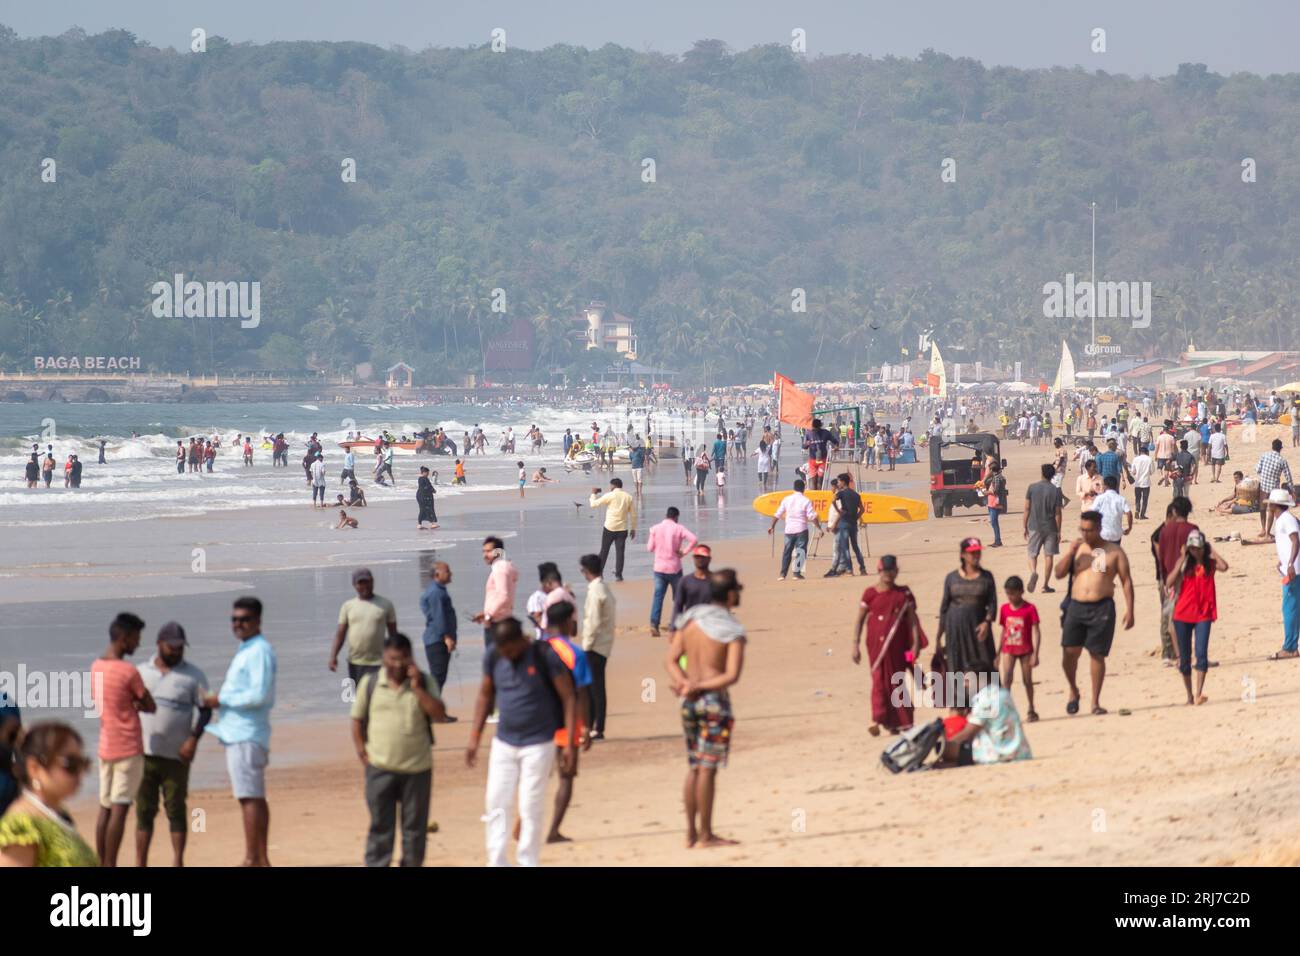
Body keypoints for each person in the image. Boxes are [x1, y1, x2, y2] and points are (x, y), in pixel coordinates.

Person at [467, 617, 578, 867]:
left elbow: (569, 697)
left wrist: (570, 743)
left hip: (538, 744)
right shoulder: (495, 656)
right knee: (496, 801)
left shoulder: (544, 656)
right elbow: (485, 695)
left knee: (530, 804)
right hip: (504, 743)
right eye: (502, 651)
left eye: (510, 650)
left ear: (522, 641)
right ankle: (496, 861)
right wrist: (475, 737)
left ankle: (528, 861)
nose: (507, 656)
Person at [664, 569, 746, 848]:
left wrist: (685, 683)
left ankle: (690, 833)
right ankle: (706, 834)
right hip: (713, 702)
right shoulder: (731, 630)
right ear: (731, 594)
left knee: (694, 766)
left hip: (687, 701)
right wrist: (699, 685)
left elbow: (671, 660)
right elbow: (732, 675)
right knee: (707, 768)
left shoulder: (690, 621)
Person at [351, 632, 445, 867]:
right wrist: (363, 753)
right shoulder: (370, 683)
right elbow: (357, 720)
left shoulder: (424, 681)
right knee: (380, 828)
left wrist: (418, 689)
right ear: (384, 658)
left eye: (402, 658)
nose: (397, 664)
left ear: (411, 658)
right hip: (380, 768)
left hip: (417, 769)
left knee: (414, 831)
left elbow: (439, 713)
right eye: (392, 658)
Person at [202, 596, 276, 867]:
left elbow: (259, 694)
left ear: (257, 620)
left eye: (244, 619)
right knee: (252, 796)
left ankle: (252, 858)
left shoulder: (259, 651)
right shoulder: (247, 649)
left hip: (247, 734)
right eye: (234, 619)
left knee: (249, 797)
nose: (238, 624)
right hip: (240, 733)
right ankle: (259, 857)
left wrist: (221, 700)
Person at [135, 622, 210, 868]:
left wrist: (193, 740)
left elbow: (205, 712)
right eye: (172, 647)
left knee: (176, 810)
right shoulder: (141, 672)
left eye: (180, 647)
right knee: (144, 812)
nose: (177, 652)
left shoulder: (194, 676)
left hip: (178, 755)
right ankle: (140, 862)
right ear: (159, 645)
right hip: (144, 753)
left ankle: (178, 861)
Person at [1054, 511, 1135, 716]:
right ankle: (1074, 691)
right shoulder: (1078, 550)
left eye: (1090, 530)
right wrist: (1071, 552)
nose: (1086, 534)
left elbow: (1126, 581)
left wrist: (1130, 609)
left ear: (1099, 528)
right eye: (1083, 530)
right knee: (1069, 654)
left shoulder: (1113, 551)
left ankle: (1095, 702)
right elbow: (1059, 573)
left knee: (1097, 655)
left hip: (1102, 607)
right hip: (1076, 606)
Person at [89, 612, 154, 867]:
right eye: (136, 638)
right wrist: (137, 702)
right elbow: (149, 704)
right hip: (127, 746)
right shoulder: (128, 671)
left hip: (106, 745)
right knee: (121, 807)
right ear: (124, 638)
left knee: (104, 808)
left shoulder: (96, 667)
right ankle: (111, 864)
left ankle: (103, 862)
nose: (138, 644)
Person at [0, 723, 98, 867]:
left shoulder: (57, 813)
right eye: (70, 765)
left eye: (83, 763)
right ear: (34, 768)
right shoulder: (21, 826)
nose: (80, 773)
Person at [535, 600, 593, 844]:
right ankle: (553, 831)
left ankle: (528, 826)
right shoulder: (574, 654)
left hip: (536, 723)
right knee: (566, 776)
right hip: (565, 724)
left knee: (535, 779)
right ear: (568, 621)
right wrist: (587, 727)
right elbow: (581, 694)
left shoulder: (537, 650)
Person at [851, 555, 922, 735]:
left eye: (891, 571)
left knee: (898, 682)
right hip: (875, 647)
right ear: (879, 571)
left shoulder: (903, 594)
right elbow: (860, 620)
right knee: (879, 682)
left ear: (896, 572)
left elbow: (913, 621)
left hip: (900, 647)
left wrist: (915, 645)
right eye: (885, 571)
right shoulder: (870, 594)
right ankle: (878, 718)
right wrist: (855, 644)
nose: (888, 574)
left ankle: (902, 722)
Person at [1166, 531, 1226, 705]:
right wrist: (1182, 559)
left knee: (1201, 654)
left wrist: (1211, 550)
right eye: (1193, 549)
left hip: (1203, 614)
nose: (1196, 552)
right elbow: (1169, 582)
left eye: (1198, 548)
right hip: (1183, 614)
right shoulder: (1184, 565)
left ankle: (1199, 692)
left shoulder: (1210, 564)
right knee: (1185, 659)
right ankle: (1189, 696)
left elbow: (1224, 566)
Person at [936, 538, 998, 696]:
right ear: (963, 555)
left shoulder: (986, 577)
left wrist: (986, 622)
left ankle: (987, 704)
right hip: (955, 632)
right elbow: (944, 607)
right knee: (957, 669)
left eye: (978, 552)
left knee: (985, 668)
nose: (976, 555)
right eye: (972, 553)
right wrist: (939, 636)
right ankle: (959, 708)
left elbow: (992, 604)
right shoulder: (952, 578)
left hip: (979, 631)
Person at [1243, 488, 1300, 659]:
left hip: (1293, 571)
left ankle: (1290, 647)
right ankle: (1291, 645)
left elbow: (1295, 541)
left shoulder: (1285, 519)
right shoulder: (1284, 519)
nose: (1268, 506)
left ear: (1276, 505)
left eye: (1270, 504)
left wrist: (1290, 563)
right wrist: (1283, 561)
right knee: (1293, 608)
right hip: (1291, 568)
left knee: (1289, 609)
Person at [330, 568, 398, 686]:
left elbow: (394, 635)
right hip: (355, 662)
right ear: (354, 585)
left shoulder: (385, 604)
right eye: (360, 583)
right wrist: (333, 656)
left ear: (372, 582)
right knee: (358, 699)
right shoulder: (348, 606)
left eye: (367, 582)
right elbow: (340, 634)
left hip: (379, 662)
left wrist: (396, 657)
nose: (364, 586)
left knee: (378, 698)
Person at [579, 553, 616, 739]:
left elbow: (592, 622)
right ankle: (596, 725)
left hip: (595, 645)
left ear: (586, 571)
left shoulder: (595, 591)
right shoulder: (604, 588)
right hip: (604, 643)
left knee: (594, 688)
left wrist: (586, 645)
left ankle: (596, 726)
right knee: (596, 686)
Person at [646, 507, 698, 636]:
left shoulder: (655, 528)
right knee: (678, 598)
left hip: (659, 568)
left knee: (658, 596)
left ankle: (654, 624)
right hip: (674, 568)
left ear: (666, 515)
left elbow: (649, 548)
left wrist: (660, 549)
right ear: (676, 517)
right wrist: (683, 552)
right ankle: (675, 624)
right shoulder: (678, 528)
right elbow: (694, 539)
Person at [997, 576, 1041, 721]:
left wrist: (1036, 653)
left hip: (1026, 650)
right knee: (1006, 678)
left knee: (1027, 680)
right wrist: (998, 653)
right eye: (1008, 593)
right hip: (1008, 649)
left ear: (1021, 592)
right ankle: (1005, 710)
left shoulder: (1030, 609)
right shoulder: (1004, 609)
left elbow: (1036, 631)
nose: (1010, 597)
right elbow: (1003, 631)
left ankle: (1031, 708)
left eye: (1013, 593)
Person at [472, 537, 519, 667]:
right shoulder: (503, 568)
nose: (485, 555)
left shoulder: (500, 568)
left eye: (488, 551)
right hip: (499, 620)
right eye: (483, 551)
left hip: (497, 623)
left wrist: (489, 615)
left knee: (496, 665)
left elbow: (504, 596)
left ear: (498, 552)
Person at [419, 561, 458, 710]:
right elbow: (438, 617)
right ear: (437, 575)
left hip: (436, 639)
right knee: (437, 678)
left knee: (438, 678)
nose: (450, 574)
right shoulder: (436, 592)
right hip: (437, 640)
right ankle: (431, 711)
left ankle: (432, 711)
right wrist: (447, 637)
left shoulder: (437, 590)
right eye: (447, 571)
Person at [767, 478, 822, 581]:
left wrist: (772, 526)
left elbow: (777, 514)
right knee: (801, 551)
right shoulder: (805, 500)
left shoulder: (786, 499)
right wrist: (819, 528)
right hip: (801, 529)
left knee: (787, 552)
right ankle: (796, 574)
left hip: (789, 530)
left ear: (794, 488)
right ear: (803, 488)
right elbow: (812, 517)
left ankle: (782, 574)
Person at [589, 478, 637, 582]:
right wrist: (633, 528)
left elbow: (593, 504)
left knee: (604, 551)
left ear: (613, 486)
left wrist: (593, 494)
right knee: (620, 552)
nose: (610, 488)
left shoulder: (609, 495)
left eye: (610, 486)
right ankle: (619, 575)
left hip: (609, 528)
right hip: (622, 529)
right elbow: (633, 515)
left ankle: (599, 573)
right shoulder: (628, 497)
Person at [828, 472, 868, 575]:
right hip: (853, 524)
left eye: (839, 481)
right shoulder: (856, 494)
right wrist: (856, 517)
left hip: (844, 523)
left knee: (845, 548)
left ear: (843, 482)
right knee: (856, 547)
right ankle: (862, 569)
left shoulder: (841, 493)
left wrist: (838, 511)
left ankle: (850, 569)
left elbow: (833, 501)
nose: (838, 484)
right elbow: (862, 510)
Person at [1255, 439, 1293, 536]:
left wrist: (1265, 474)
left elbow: (1257, 469)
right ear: (1281, 448)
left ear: (1272, 446)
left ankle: (1263, 529)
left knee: (1262, 508)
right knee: (1271, 509)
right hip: (1274, 489)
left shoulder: (1264, 455)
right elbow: (1288, 477)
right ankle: (1268, 532)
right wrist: (1292, 490)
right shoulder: (1282, 460)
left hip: (1263, 485)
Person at [802, 418, 839, 491]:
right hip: (812, 461)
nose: (814, 430)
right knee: (813, 481)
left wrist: (836, 447)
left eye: (816, 428)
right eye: (813, 428)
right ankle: (815, 498)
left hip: (823, 461)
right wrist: (806, 444)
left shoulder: (825, 433)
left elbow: (835, 441)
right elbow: (804, 447)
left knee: (820, 480)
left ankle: (820, 496)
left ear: (819, 427)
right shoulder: (808, 433)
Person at [1094, 474, 1133, 543]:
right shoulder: (1121, 499)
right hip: (1116, 534)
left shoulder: (1100, 498)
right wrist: (1129, 528)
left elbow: (1091, 513)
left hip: (1102, 533)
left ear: (1105, 486)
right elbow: (1129, 513)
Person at [983, 461, 1008, 548]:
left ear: (992, 470)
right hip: (994, 502)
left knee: (994, 522)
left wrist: (986, 492)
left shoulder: (997, 478)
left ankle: (998, 541)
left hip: (994, 503)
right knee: (994, 522)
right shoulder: (999, 477)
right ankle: (997, 540)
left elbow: (995, 490)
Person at [1130, 443, 1153, 519]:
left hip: (1137, 482)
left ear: (1140, 452)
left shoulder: (1135, 459)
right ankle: (1142, 514)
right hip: (1146, 482)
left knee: (1137, 498)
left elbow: (1133, 471)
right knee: (1145, 499)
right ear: (1146, 452)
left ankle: (1137, 509)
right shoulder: (1149, 459)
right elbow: (1152, 471)